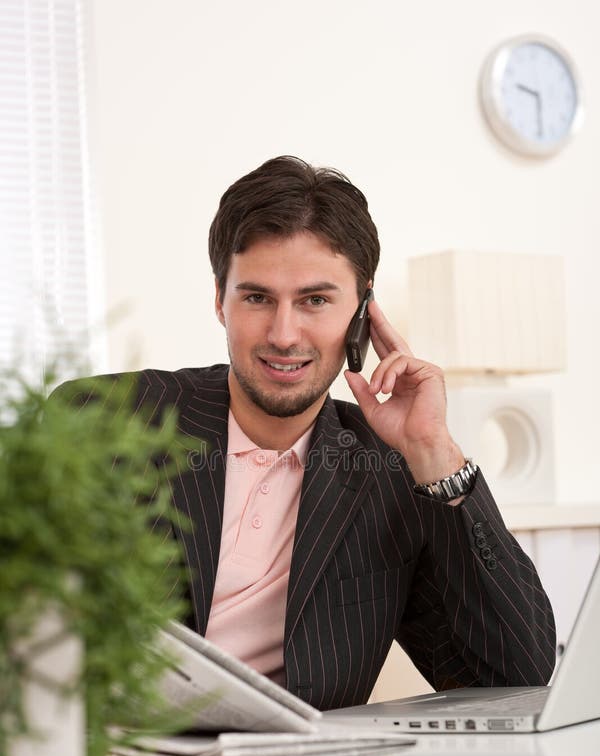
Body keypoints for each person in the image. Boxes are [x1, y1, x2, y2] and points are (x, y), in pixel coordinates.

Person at [67, 156, 557, 709]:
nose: (283, 333)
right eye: (256, 298)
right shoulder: (103, 418)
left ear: (363, 312)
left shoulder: (395, 477)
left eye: (315, 301)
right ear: (219, 301)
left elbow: (516, 677)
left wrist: (435, 454)